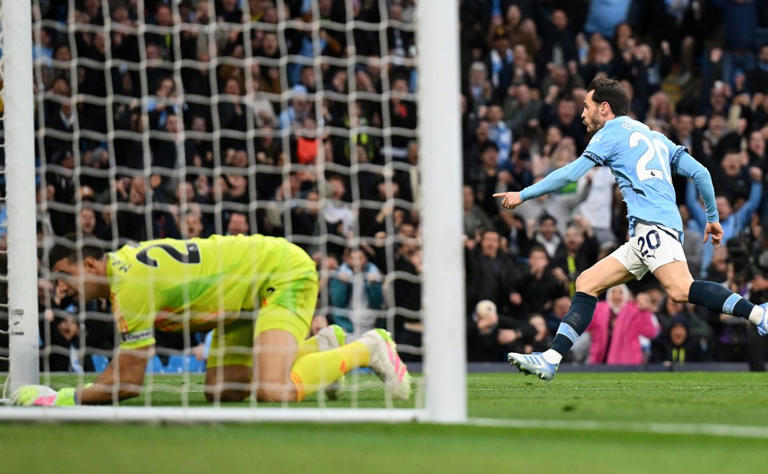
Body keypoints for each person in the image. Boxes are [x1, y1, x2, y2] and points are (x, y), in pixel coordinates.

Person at [494, 76, 768, 381]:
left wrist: (523, 194)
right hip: (650, 231)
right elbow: (700, 172)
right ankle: (551, 358)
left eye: (587, 106)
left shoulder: (609, 133)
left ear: (605, 108)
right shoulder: (656, 136)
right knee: (587, 282)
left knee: (680, 289)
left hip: (653, 226)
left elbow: (571, 173)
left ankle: (759, 314)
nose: (582, 113)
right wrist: (713, 218)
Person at [12, 234, 411, 406]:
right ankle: (321, 346)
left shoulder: (128, 286)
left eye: (64, 277)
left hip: (278, 272)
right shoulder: (126, 270)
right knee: (222, 392)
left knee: (272, 389)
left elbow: (129, 383)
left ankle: (369, 347)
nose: (61, 289)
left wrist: (61, 398)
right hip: (236, 299)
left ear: (88, 264)